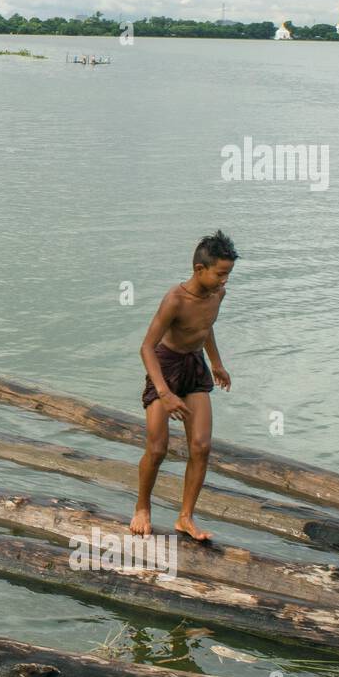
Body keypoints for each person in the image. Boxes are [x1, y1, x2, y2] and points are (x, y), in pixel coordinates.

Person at [130, 230, 238, 541]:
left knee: (201, 446)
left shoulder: (218, 295)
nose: (224, 281)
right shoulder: (174, 300)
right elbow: (146, 347)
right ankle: (142, 507)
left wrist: (216, 363)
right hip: (165, 366)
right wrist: (164, 393)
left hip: (195, 366)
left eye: (228, 274)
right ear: (199, 270)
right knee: (158, 447)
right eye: (220, 274)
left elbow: (205, 327)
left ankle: (186, 517)